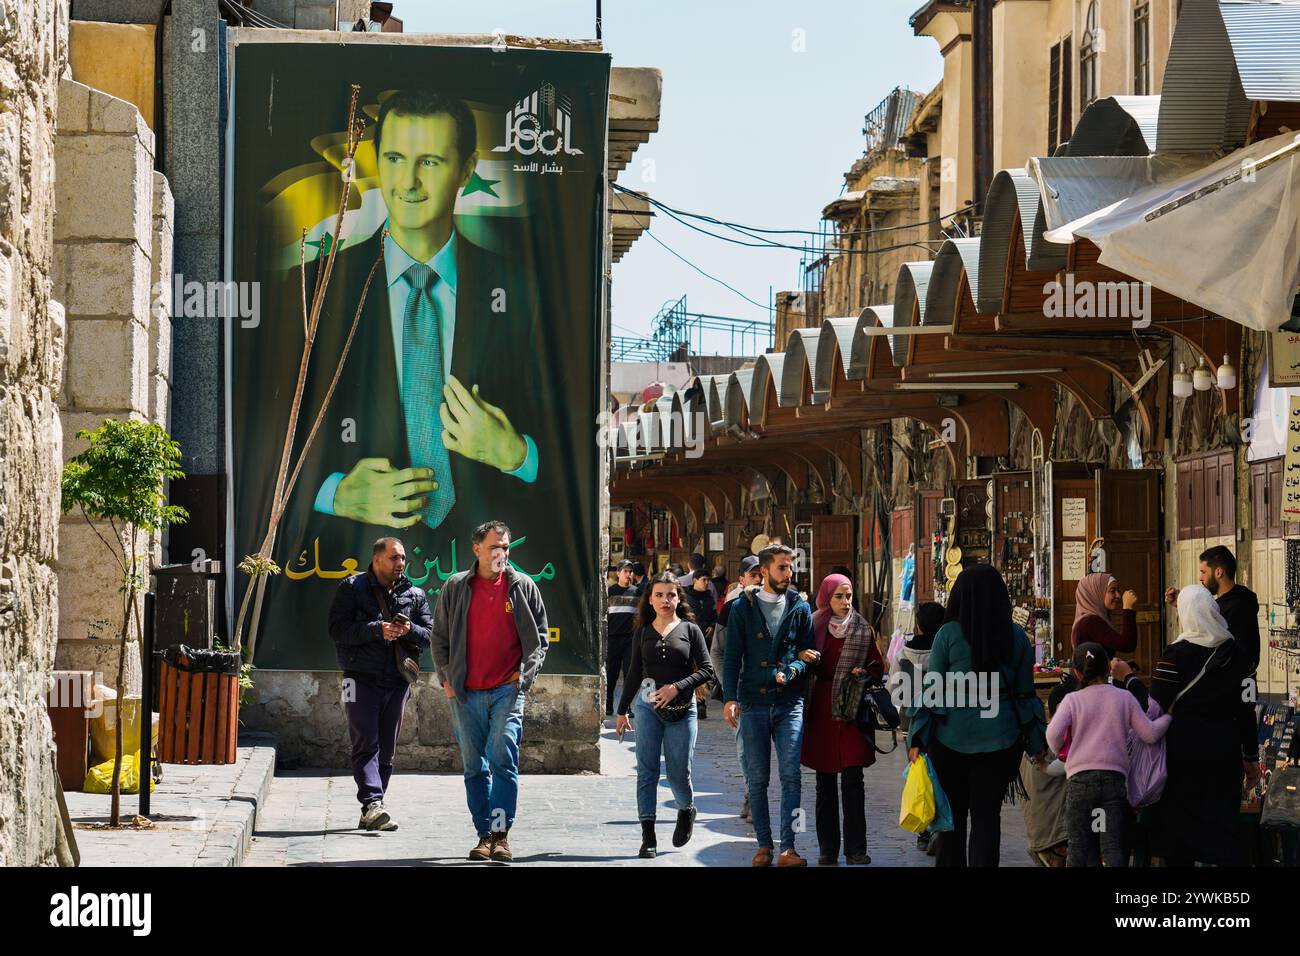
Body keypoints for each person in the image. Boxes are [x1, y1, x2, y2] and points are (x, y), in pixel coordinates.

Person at [287, 88, 542, 540]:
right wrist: (333, 492)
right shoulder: (315, 287)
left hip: (491, 561)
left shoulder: (523, 292)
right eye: (395, 158)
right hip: (351, 563)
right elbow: (261, 435)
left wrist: (518, 455)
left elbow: (576, 437)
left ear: (466, 168)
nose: (407, 183)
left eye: (429, 162)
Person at [907, 564, 1047, 867]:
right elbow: (1025, 697)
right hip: (1001, 743)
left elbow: (932, 691)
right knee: (987, 820)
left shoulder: (947, 635)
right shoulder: (1017, 638)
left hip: (950, 742)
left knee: (951, 819)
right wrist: (1037, 745)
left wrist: (917, 738)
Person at [430, 520, 549, 863]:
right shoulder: (455, 586)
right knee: (474, 766)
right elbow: (439, 639)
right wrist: (446, 679)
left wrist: (522, 677)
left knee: (502, 758)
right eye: (495, 546)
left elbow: (540, 640)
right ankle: (483, 835)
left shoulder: (523, 586)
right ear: (477, 549)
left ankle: (500, 835)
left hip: (506, 690)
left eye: (506, 547)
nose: (501, 553)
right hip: (465, 692)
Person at [1148, 584, 1261, 866]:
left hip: (1181, 751)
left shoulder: (1173, 656)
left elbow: (1156, 706)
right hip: (1225, 750)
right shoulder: (1238, 657)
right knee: (1221, 822)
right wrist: (1250, 757)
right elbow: (1246, 709)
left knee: (1180, 824)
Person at [328, 536, 432, 831]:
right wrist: (377, 630)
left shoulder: (415, 594)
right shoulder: (351, 588)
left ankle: (373, 808)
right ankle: (372, 803)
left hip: (398, 681)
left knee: (387, 747)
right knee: (365, 741)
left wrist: (408, 629)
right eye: (394, 558)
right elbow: (337, 629)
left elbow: (429, 635)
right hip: (358, 678)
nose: (400, 564)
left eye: (402, 558)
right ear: (376, 560)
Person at [723, 544, 818, 866]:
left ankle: (788, 847)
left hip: (789, 702)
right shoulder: (742, 608)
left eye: (790, 567)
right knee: (757, 778)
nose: (788, 573)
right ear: (764, 571)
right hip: (753, 701)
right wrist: (730, 698)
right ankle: (764, 845)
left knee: (792, 776)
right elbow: (733, 656)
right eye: (782, 567)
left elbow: (810, 653)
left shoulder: (800, 607)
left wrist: (794, 668)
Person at [615, 573, 714, 859]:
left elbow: (707, 670)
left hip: (682, 709)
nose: (665, 600)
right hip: (647, 708)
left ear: (678, 598)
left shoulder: (690, 629)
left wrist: (676, 688)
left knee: (678, 773)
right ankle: (648, 836)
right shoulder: (643, 631)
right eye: (659, 595)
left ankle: (686, 809)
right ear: (650, 599)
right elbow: (634, 672)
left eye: (671, 595)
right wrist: (622, 711)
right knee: (647, 771)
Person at [1045, 642, 1171, 867]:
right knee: (1112, 847)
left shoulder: (1072, 701)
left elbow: (1053, 734)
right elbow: (1149, 734)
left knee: (1077, 847)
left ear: (1076, 672)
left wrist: (1065, 752)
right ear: (1108, 669)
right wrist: (1168, 718)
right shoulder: (1124, 699)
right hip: (1114, 781)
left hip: (1080, 780)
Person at [800, 573, 884, 866]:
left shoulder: (862, 629)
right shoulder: (812, 625)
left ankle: (856, 849)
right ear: (826, 597)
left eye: (848, 596)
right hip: (821, 710)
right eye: (839, 596)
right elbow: (797, 662)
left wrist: (866, 674)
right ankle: (827, 849)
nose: (845, 602)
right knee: (824, 784)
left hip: (851, 711)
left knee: (853, 781)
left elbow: (877, 665)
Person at [713, 554, 761, 820]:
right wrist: (729, 689)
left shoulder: (785, 602)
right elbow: (717, 652)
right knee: (746, 747)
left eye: (762, 573)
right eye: (753, 575)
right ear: (741, 579)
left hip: (776, 691)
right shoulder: (731, 609)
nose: (759, 579)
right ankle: (752, 795)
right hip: (743, 690)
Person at [894, 600, 944, 852]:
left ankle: (924, 831)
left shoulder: (904, 653)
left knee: (920, 776)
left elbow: (895, 690)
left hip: (912, 724)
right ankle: (940, 828)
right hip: (941, 722)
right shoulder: (944, 651)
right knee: (941, 775)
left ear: (919, 626)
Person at [1165, 545, 1260, 670]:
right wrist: (1183, 601)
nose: (1200, 578)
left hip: (1234, 686)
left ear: (1219, 572)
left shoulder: (1238, 606)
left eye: (1204, 572)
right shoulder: (1231, 602)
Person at [1071, 572, 1138, 657]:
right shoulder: (1091, 622)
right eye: (1112, 591)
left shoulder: (1088, 619)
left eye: (1118, 590)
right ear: (1096, 592)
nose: (1118, 595)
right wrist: (1127, 608)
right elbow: (1127, 644)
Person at [606, 560, 639, 717]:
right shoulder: (610, 592)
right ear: (618, 573)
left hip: (630, 639)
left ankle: (626, 706)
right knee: (611, 674)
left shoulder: (636, 592)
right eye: (625, 571)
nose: (628, 574)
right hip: (612, 638)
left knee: (629, 673)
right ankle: (608, 704)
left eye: (630, 571)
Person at [682, 572, 718, 718]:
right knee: (691, 670)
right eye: (704, 579)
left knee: (704, 670)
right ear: (695, 580)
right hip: (689, 640)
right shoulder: (686, 597)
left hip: (706, 640)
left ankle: (701, 701)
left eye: (708, 580)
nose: (706, 583)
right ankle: (692, 701)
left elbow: (714, 616)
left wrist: (712, 625)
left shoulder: (709, 598)